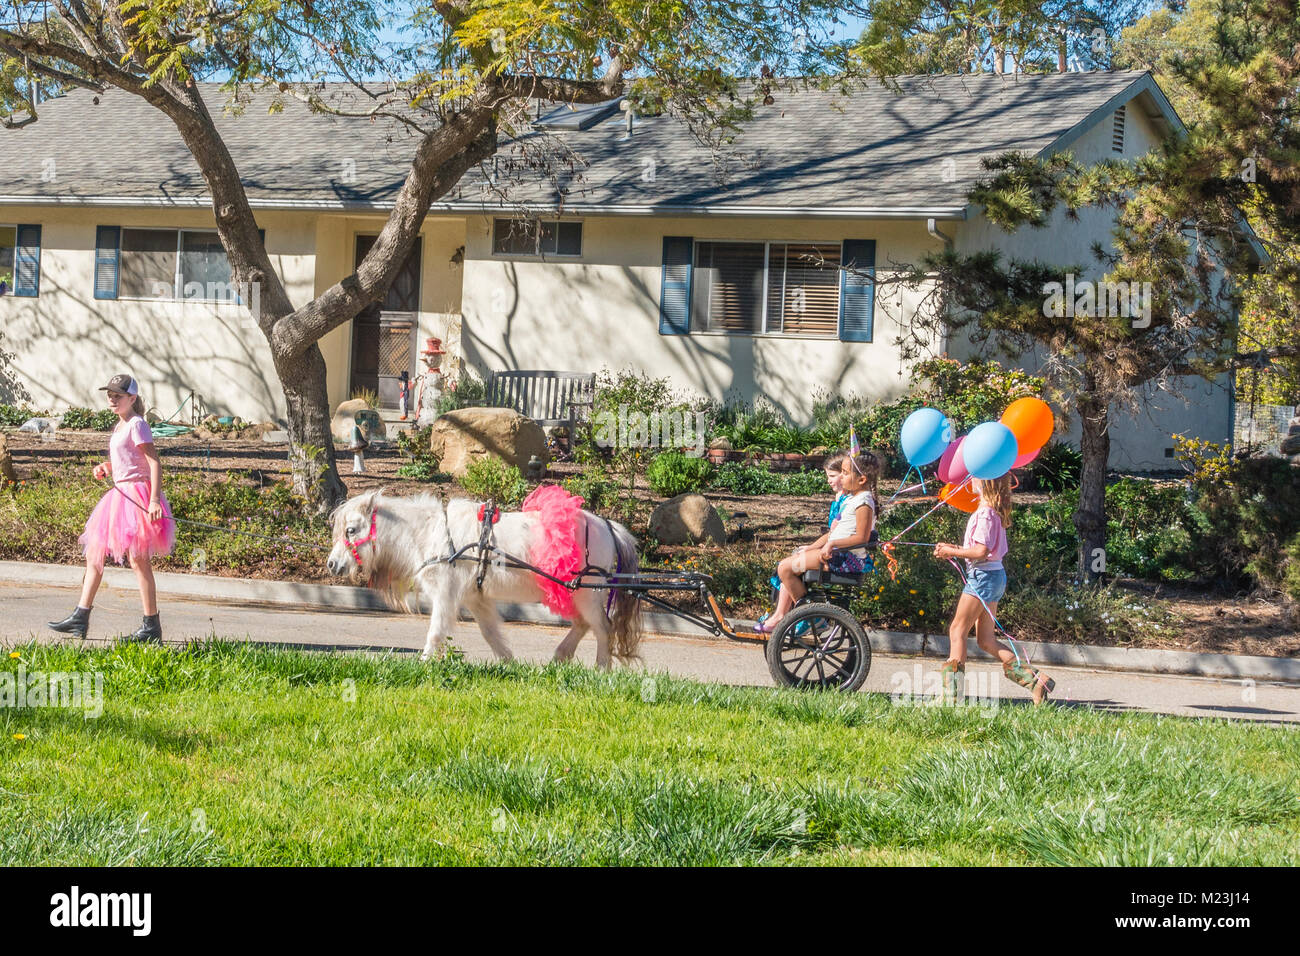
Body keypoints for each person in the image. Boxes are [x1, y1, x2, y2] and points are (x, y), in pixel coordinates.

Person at [48, 374, 176, 643]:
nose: (112, 399)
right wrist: (106, 468)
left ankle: (151, 626)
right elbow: (125, 460)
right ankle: (80, 616)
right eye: (110, 394)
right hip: (118, 495)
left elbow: (153, 463)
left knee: (138, 560)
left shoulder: (137, 424)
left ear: (132, 398)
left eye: (118, 395)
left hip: (136, 497)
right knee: (94, 552)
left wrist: (153, 501)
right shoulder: (120, 425)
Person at [932, 474, 1054, 704]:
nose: (970, 480)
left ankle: (950, 697)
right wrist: (952, 547)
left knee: (957, 630)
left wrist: (952, 552)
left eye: (975, 476)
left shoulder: (986, 513)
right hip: (991, 575)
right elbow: (980, 548)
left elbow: (980, 552)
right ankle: (1036, 681)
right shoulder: (990, 512)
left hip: (984, 577)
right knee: (986, 640)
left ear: (985, 483)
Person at [756, 451, 880, 634]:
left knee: (784, 568)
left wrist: (831, 544)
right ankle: (782, 615)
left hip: (844, 559)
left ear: (861, 479)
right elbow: (834, 532)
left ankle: (811, 618)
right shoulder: (854, 500)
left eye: (845, 473)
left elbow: (861, 538)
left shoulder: (864, 502)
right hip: (838, 555)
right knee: (788, 565)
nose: (842, 476)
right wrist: (815, 546)